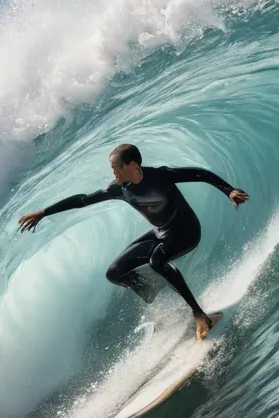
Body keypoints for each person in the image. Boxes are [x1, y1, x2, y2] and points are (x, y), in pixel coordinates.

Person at [18, 143, 249, 339]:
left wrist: (228, 191)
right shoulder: (119, 189)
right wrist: (44, 212)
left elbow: (201, 174)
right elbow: (83, 200)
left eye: (116, 166)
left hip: (186, 231)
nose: (113, 172)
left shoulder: (160, 176)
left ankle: (200, 316)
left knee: (156, 260)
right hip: (161, 233)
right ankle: (155, 294)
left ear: (133, 165)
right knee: (115, 272)